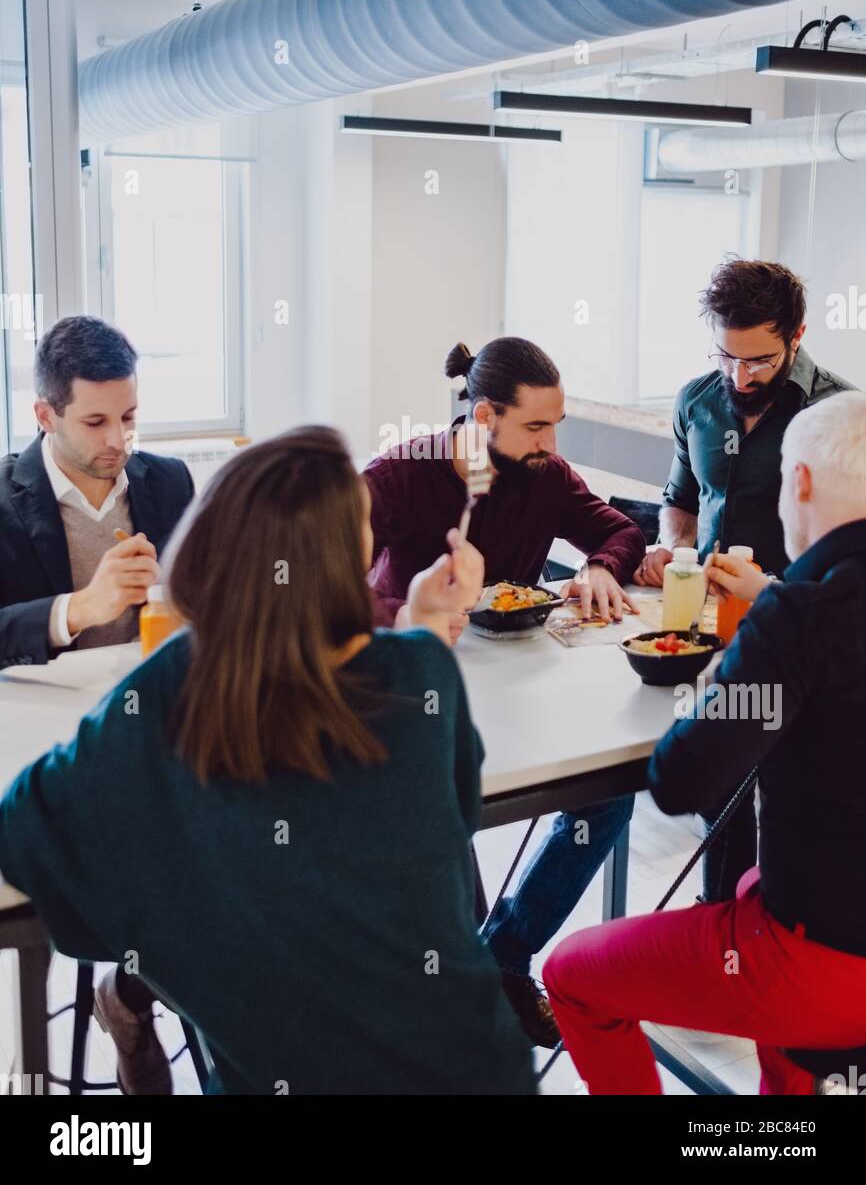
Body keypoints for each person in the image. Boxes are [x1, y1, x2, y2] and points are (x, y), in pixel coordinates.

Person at [0, 427, 537, 1096]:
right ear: (350, 558)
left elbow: (24, 831)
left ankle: (132, 998)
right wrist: (422, 628)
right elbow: (451, 814)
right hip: (482, 1072)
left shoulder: (173, 687)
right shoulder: (421, 671)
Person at [543, 392, 866, 1095]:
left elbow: (682, 780)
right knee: (752, 886)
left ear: (800, 482)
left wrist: (745, 649)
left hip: (831, 959)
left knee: (571, 975)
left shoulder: (803, 612)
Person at [364, 336, 645, 1047]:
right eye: (537, 427)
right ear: (484, 415)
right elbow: (330, 587)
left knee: (612, 789)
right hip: (416, 690)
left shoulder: (545, 472)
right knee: (446, 803)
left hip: (522, 683)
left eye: (557, 426)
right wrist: (407, 616)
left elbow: (615, 530)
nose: (551, 443)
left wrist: (605, 568)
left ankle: (505, 952)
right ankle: (462, 987)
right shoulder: (399, 473)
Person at [633, 259, 853, 902]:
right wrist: (675, 550)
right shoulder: (697, 401)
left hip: (799, 633)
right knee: (717, 788)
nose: (739, 375)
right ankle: (722, 915)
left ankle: (767, 929)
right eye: (727, 356)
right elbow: (679, 500)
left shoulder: (839, 416)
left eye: (758, 360)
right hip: (703, 624)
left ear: (798, 335)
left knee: (786, 785)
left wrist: (779, 594)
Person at [0, 316, 193, 668]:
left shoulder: (171, 482)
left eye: (128, 416)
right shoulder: (3, 501)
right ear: (46, 416)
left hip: (151, 695)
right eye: (95, 422)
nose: (119, 440)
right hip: (41, 709)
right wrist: (80, 607)